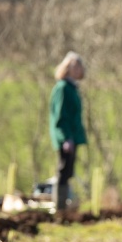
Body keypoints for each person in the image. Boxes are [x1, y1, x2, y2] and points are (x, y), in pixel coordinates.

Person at [48, 52, 88, 212]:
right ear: (69, 68)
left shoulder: (72, 88)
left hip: (72, 136)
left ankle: (63, 206)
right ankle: (59, 208)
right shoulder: (63, 88)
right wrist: (65, 138)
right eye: (76, 67)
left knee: (68, 171)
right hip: (66, 138)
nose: (79, 70)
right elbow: (60, 116)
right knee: (63, 171)